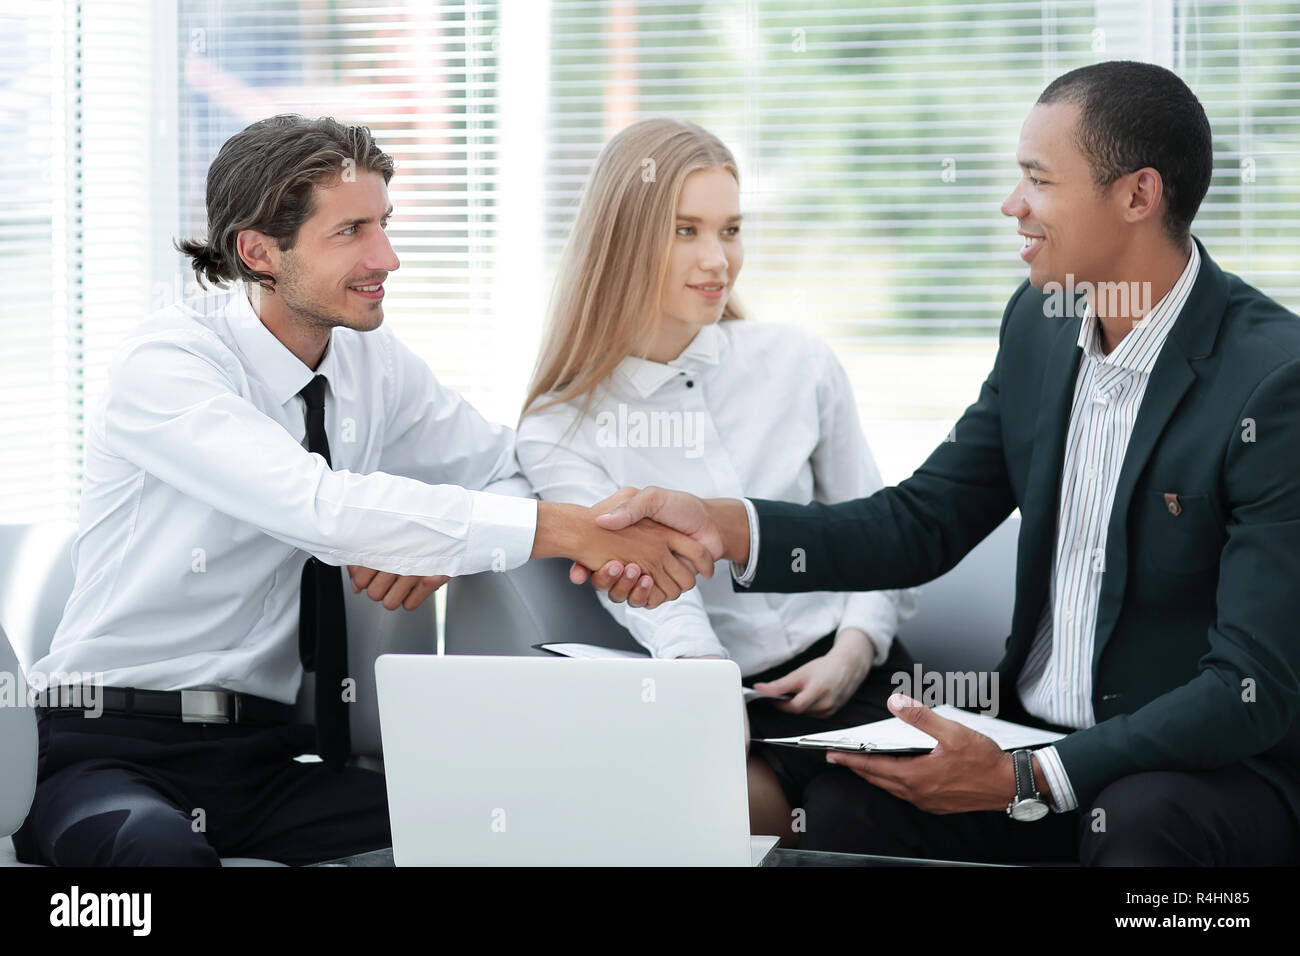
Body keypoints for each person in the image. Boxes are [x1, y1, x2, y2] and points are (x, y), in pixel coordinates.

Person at [574, 61, 1300, 866]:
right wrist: (724, 526)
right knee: (851, 809)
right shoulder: (1040, 323)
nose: (1012, 205)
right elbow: (924, 521)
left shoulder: (1270, 381)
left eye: (1037, 180)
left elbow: (1254, 688)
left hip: (1195, 773)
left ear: (1137, 196)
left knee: (1141, 821)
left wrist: (1027, 776)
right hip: (1031, 738)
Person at [12, 115, 710, 867]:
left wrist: (450, 551)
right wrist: (569, 529)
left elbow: (500, 468)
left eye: (384, 223)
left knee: (508, 831)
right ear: (258, 252)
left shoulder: (373, 365)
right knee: (159, 860)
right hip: (106, 744)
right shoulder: (169, 364)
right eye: (350, 231)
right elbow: (318, 508)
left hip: (265, 763)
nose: (389, 257)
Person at [515, 117, 917, 842]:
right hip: (715, 689)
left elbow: (883, 533)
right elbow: (652, 595)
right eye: (685, 230)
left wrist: (855, 647)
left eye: (730, 229)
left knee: (849, 817)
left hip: (859, 674)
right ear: (625, 239)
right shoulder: (558, 429)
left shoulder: (798, 361)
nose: (718, 260)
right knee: (716, 824)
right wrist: (707, 695)